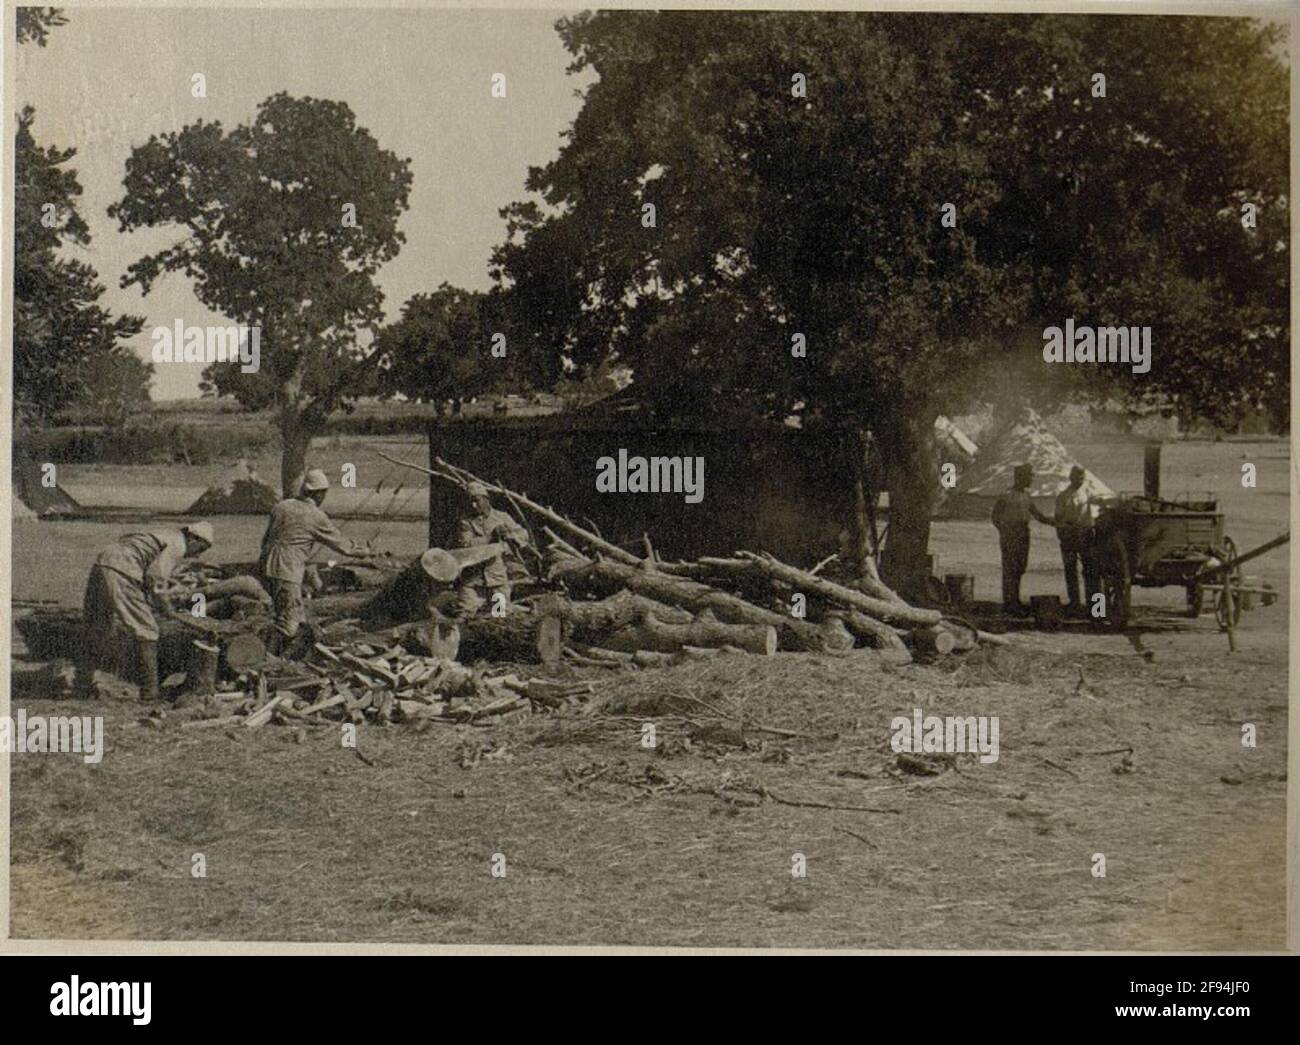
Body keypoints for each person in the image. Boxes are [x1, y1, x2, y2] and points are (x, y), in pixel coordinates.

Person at [74, 522, 216, 700]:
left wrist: (154, 599)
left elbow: (148, 574)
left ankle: (82, 682)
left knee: (98, 627)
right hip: (123, 568)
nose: (198, 554)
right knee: (148, 631)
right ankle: (150, 692)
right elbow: (155, 577)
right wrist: (166, 607)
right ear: (193, 538)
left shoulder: (163, 534)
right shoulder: (177, 544)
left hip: (102, 563)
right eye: (200, 548)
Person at [259, 468, 376, 652]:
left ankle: (282, 656)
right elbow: (343, 546)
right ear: (320, 494)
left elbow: (265, 540)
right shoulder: (315, 516)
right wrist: (365, 551)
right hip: (288, 571)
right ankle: (262, 657)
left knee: (292, 617)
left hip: (266, 567)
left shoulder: (281, 506)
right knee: (289, 625)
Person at [453, 481, 532, 616]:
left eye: (477, 501)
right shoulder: (465, 522)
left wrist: (511, 536)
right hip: (473, 582)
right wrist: (492, 536)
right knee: (465, 615)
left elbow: (523, 535)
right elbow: (466, 546)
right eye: (470, 502)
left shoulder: (502, 517)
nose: (473, 505)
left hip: (497, 580)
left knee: (499, 616)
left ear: (486, 499)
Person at [991, 463, 1053, 613]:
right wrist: (1004, 531)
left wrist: (1056, 522)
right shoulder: (1006, 495)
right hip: (1010, 534)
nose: (1031, 479)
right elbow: (995, 516)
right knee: (1009, 568)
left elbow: (1038, 516)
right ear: (1020, 477)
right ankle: (1009, 602)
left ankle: (1015, 600)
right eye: (1029, 476)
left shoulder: (1027, 496)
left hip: (1024, 533)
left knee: (1019, 567)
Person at [1054, 465, 1099, 613]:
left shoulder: (1088, 492)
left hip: (1086, 534)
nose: (1079, 479)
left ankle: (1096, 607)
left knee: (1091, 571)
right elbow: (1058, 517)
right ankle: (1074, 604)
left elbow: (1100, 503)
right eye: (1076, 476)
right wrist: (1061, 533)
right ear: (1070, 477)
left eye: (1081, 476)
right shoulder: (1063, 496)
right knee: (1070, 570)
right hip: (1069, 535)